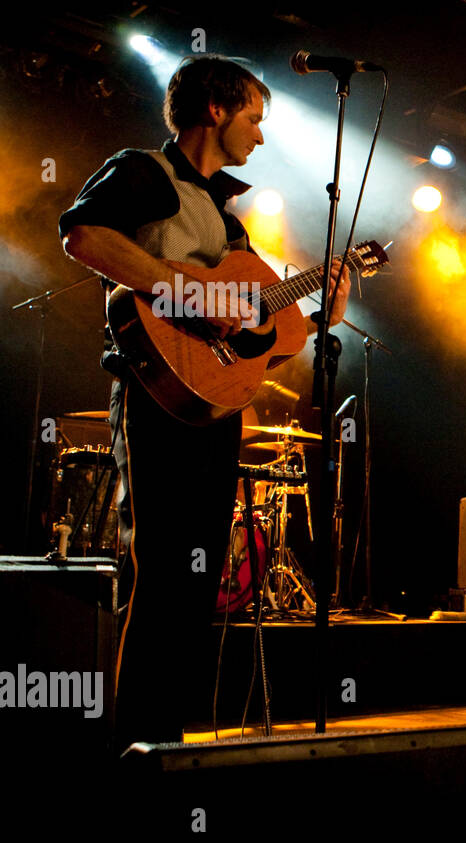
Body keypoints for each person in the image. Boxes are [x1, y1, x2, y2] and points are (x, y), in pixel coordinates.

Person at [58, 55, 351, 749]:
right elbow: (83, 234)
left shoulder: (229, 223)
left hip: (213, 411)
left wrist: (324, 315)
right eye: (254, 117)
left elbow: (261, 338)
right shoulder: (145, 172)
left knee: (197, 581)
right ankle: (132, 750)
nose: (260, 134)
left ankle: (166, 742)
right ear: (215, 109)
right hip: (155, 397)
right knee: (159, 574)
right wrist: (183, 289)